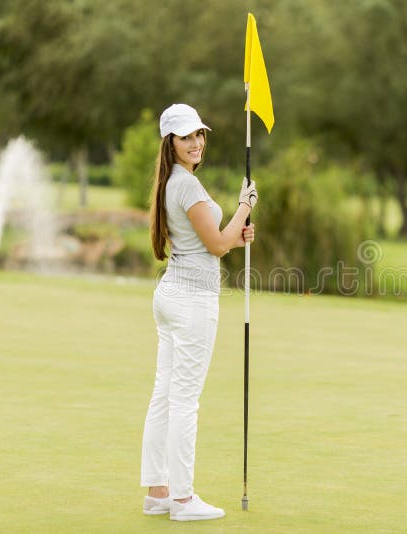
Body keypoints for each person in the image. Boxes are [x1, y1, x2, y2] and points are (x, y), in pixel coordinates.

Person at [140, 103, 257, 521]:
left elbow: (219, 240)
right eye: (187, 137)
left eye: (200, 135)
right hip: (191, 301)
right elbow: (217, 245)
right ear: (170, 142)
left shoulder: (173, 181)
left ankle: (158, 492)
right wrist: (245, 205)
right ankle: (183, 500)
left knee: (166, 395)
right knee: (184, 400)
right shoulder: (185, 185)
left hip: (173, 293)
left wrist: (236, 236)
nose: (196, 143)